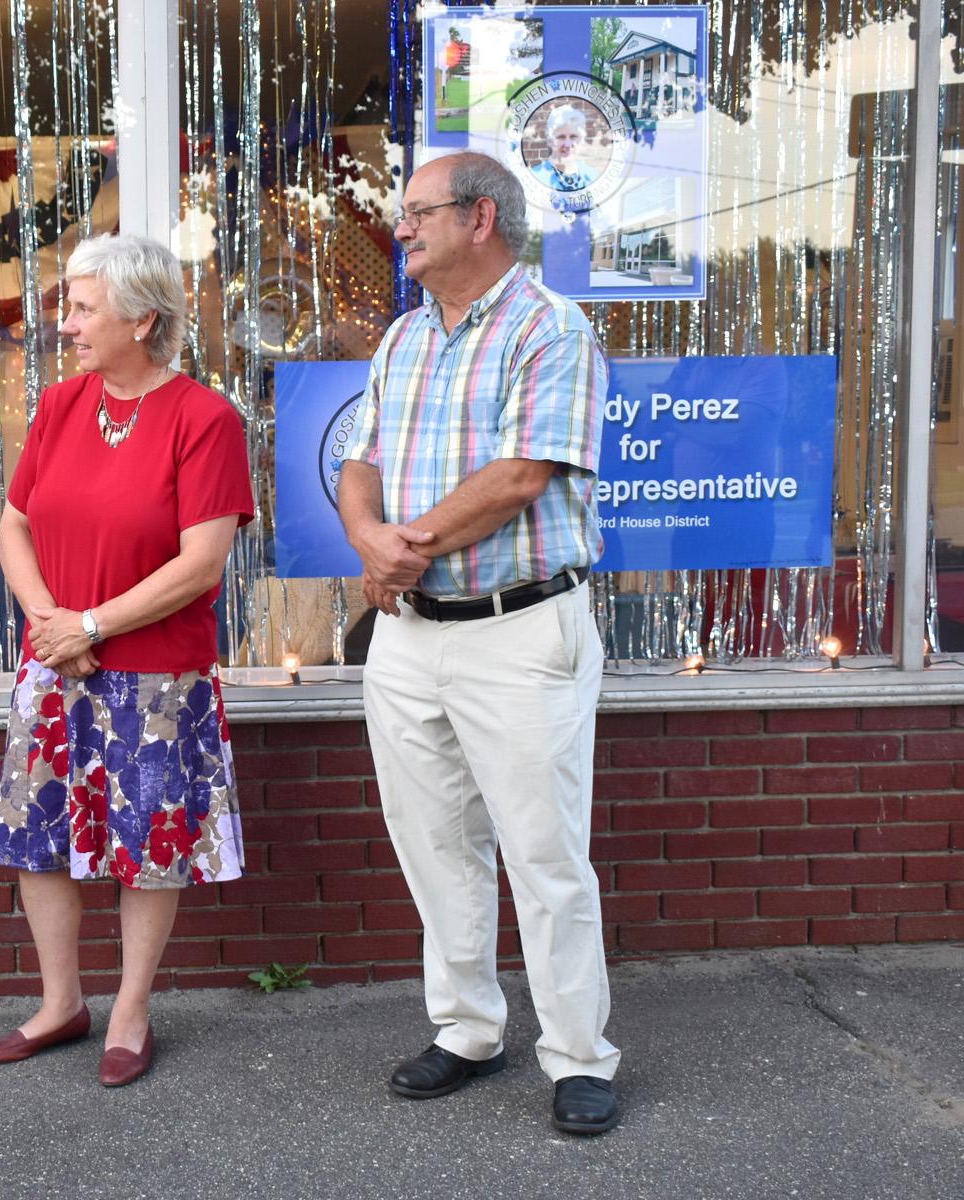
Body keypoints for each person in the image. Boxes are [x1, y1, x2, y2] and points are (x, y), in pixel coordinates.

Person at [336, 151, 620, 1135]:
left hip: (518, 628)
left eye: (417, 212)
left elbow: (520, 478)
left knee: (544, 856)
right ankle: (466, 1029)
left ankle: (581, 1055)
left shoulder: (551, 330)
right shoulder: (405, 340)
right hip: (412, 634)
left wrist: (399, 553)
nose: (401, 227)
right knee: (435, 845)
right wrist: (374, 542)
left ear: (480, 220)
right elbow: (359, 460)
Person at [0, 233, 253, 1087]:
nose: (65, 323)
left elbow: (200, 563)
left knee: (148, 843)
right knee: (42, 839)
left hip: (159, 676)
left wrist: (89, 623)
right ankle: (61, 1002)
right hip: (55, 665)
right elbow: (13, 525)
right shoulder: (61, 407)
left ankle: (130, 1008)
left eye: (82, 306)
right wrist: (48, 620)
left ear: (141, 318)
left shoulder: (204, 419)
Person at [530, 104, 595, 192]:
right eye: (561, 137)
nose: (567, 144)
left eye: (573, 137)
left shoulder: (592, 175)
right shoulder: (535, 177)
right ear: (549, 140)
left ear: (581, 140)